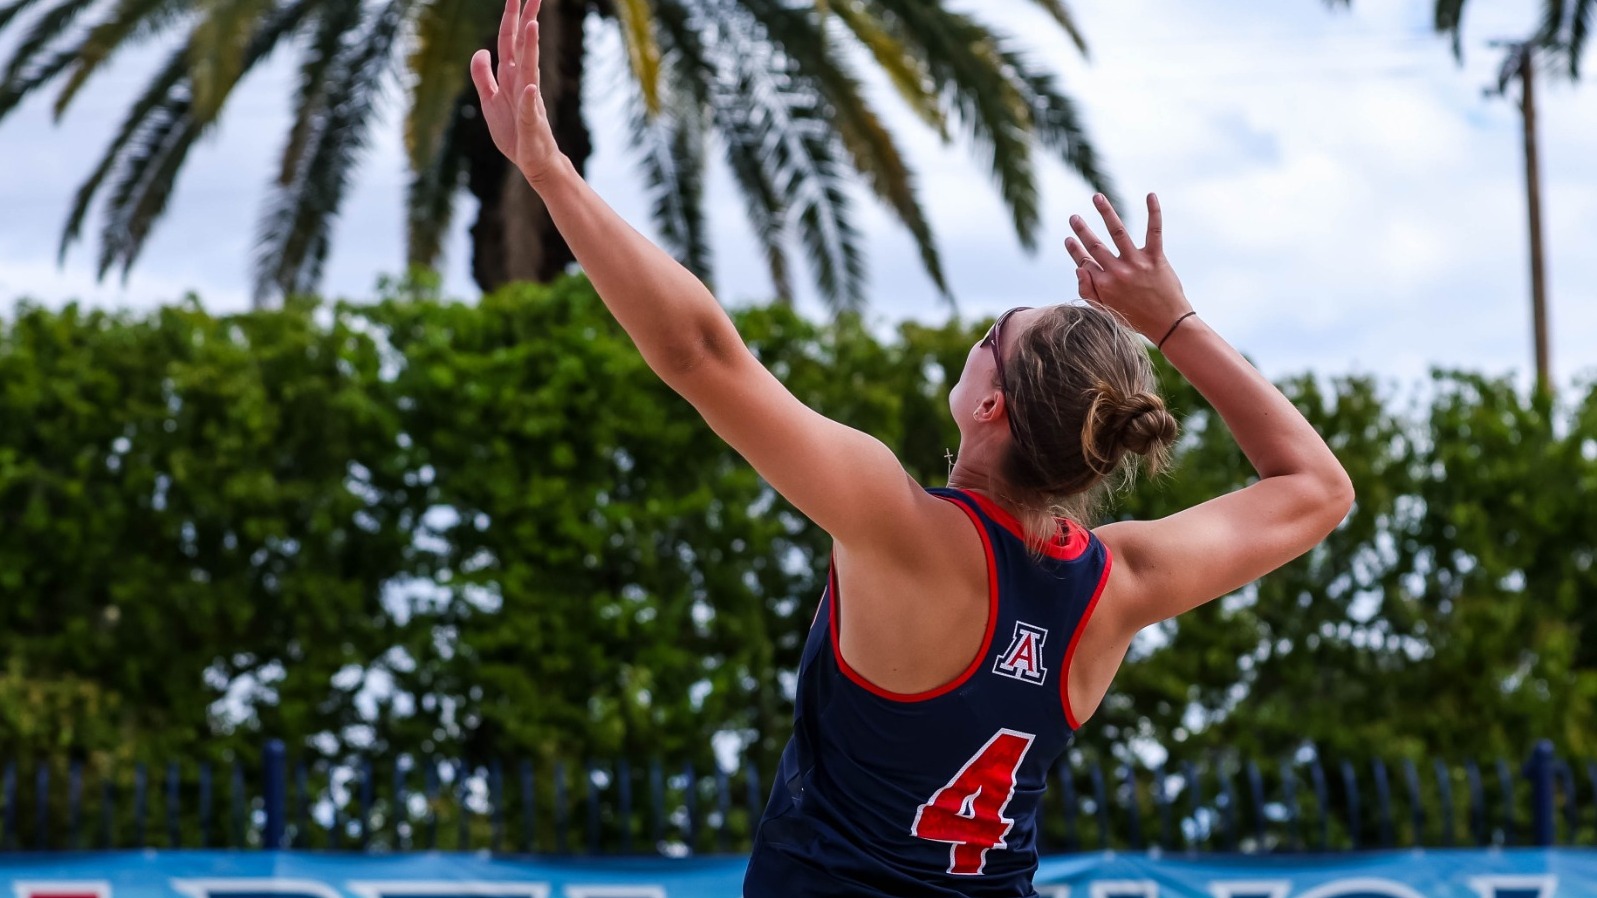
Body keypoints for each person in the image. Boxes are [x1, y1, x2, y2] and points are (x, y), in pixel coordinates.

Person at [470, 2, 1354, 894]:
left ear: (991, 403)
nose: (974, 341)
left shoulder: (895, 523)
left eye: (988, 334)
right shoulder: (1114, 587)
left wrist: (550, 175)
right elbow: (1316, 488)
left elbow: (699, 353)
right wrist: (1175, 324)